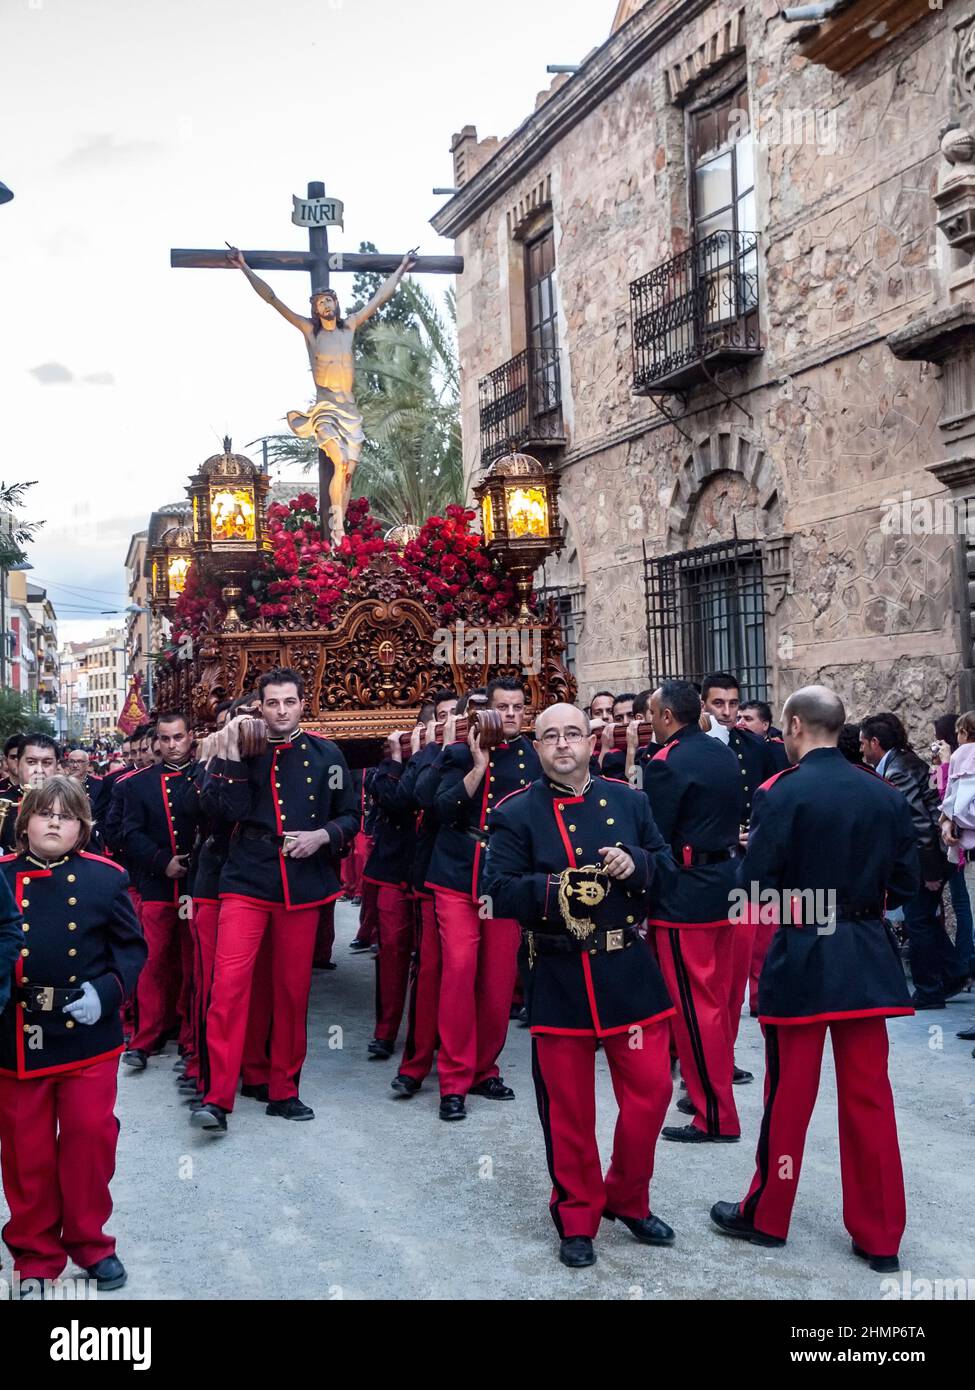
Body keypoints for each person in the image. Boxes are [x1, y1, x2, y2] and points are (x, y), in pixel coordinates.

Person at [710, 686, 919, 1272]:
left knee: (789, 1096)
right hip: (865, 961)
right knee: (870, 1099)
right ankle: (881, 1237)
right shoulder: (883, 794)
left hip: (803, 959)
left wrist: (804, 907)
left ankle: (768, 1216)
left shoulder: (781, 791)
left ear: (796, 725)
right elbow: (903, 885)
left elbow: (755, 889)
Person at [485, 702, 676, 1269]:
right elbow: (497, 891)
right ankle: (576, 1214)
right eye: (550, 736)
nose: (562, 744)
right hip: (560, 975)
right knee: (569, 1111)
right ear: (536, 747)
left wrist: (637, 863)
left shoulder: (630, 800)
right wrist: (560, 890)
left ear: (592, 741)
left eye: (573, 733)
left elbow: (667, 873)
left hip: (628, 972)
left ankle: (627, 1196)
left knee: (652, 1095)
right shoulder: (515, 812)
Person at [192, 668, 358, 1135]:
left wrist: (324, 835)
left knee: (291, 993)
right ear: (260, 706)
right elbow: (220, 812)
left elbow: (351, 815)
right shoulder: (243, 749)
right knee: (228, 988)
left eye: (289, 702)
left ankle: (284, 1090)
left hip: (301, 883)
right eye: (272, 703)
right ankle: (217, 1098)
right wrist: (227, 754)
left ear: (303, 703)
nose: (281, 711)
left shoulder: (327, 753)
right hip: (247, 876)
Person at [0, 776, 147, 1292]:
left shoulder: (106, 879)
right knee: (27, 1153)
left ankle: (90, 1242)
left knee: (89, 1140)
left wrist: (105, 994)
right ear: (24, 824)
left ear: (83, 828)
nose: (55, 822)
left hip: (88, 1036)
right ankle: (36, 1256)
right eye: (45, 813)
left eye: (67, 815)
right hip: (18, 1036)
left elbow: (132, 949)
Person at [227, 246, 417, 540]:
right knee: (339, 460)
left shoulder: (349, 326)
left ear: (336, 303)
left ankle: (339, 527)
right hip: (326, 409)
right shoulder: (309, 331)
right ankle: (337, 530)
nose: (326, 305)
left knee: (348, 473)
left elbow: (379, 298)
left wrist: (402, 268)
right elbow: (273, 300)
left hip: (350, 411)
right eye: (320, 302)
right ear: (315, 309)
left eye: (329, 299)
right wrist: (243, 266)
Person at [426, 676, 541, 1121]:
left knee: (496, 984)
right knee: (458, 972)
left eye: (517, 707)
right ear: (485, 711)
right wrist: (477, 766)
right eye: (502, 707)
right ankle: (453, 1081)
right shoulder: (455, 752)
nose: (510, 714)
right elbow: (440, 811)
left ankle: (483, 1068)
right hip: (457, 873)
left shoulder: (534, 756)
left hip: (505, 879)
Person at [643, 680, 743, 1142]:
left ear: (667, 717)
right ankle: (712, 1096)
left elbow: (655, 836)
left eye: (650, 714)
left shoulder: (665, 762)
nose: (647, 722)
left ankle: (715, 1115)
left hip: (685, 896)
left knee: (694, 1009)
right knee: (716, 1005)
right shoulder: (722, 751)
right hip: (724, 886)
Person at [860, 713, 964, 1009]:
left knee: (919, 923)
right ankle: (955, 972)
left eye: (864, 743)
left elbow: (916, 823)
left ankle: (929, 989)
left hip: (924, 859)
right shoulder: (900, 763)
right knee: (923, 921)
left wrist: (930, 870)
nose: (862, 750)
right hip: (924, 857)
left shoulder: (897, 771)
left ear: (875, 743)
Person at [120, 712, 199, 1072]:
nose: (172, 745)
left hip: (198, 886)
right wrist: (161, 861)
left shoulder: (206, 775)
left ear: (190, 737)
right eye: (165, 739)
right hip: (157, 884)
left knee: (192, 962)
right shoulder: (139, 784)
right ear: (157, 742)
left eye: (178, 737)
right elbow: (129, 834)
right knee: (152, 962)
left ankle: (189, 1038)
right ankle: (145, 1038)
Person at [390, 688, 459, 1098]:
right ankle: (417, 1061)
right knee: (432, 970)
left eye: (457, 715)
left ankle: (479, 1067)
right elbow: (414, 798)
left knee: (479, 981)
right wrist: (439, 751)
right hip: (435, 875)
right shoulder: (425, 757)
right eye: (443, 716)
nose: (450, 722)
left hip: (482, 879)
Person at [0, 735, 61, 853]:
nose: (39, 770)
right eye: (31, 762)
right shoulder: (3, 802)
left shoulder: (74, 803)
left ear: (57, 765)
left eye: (47, 763)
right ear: (18, 764)